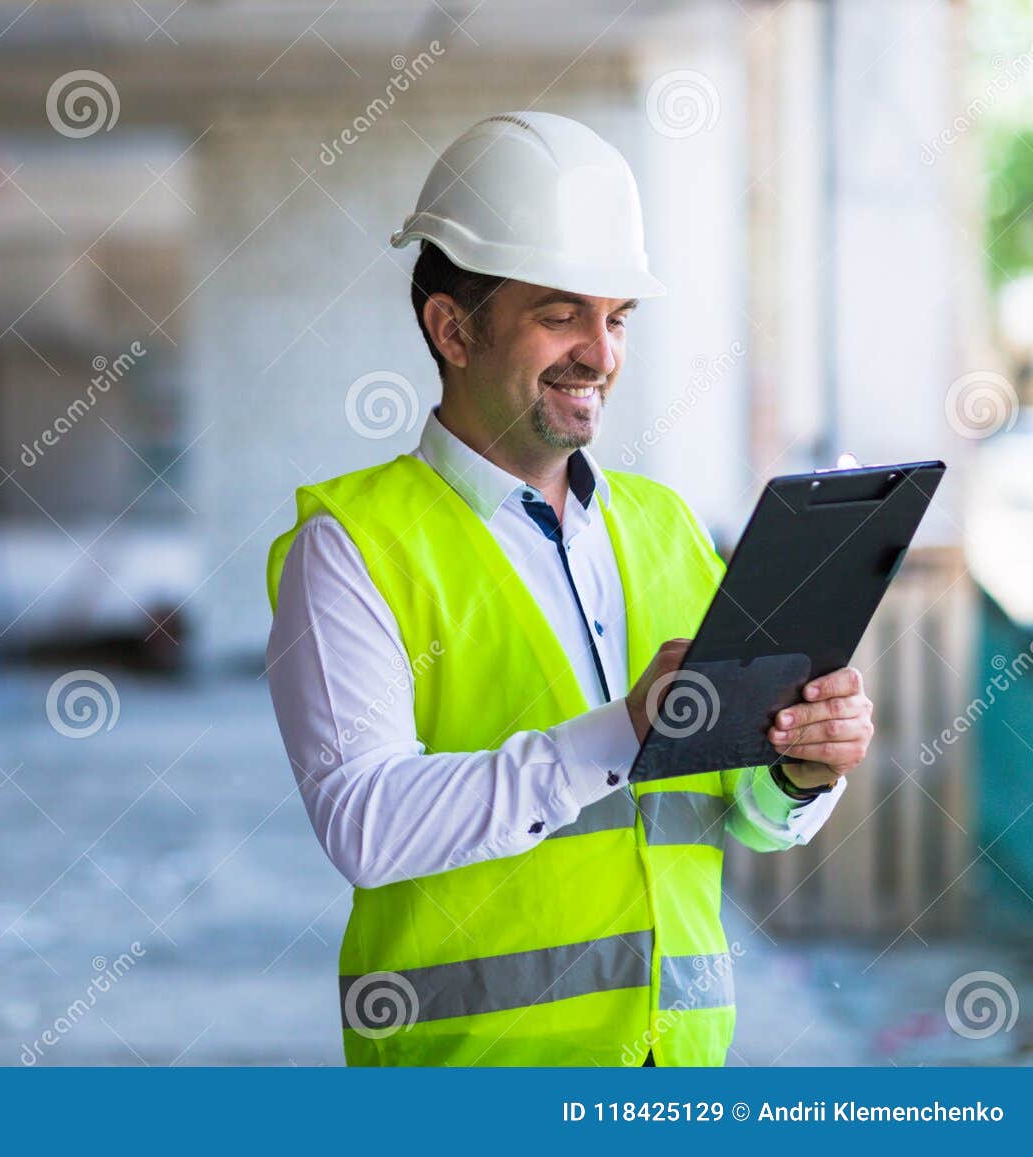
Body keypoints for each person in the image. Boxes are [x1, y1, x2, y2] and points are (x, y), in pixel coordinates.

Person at [263, 112, 873, 1066]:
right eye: (560, 315)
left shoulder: (666, 527)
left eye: (617, 317)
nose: (601, 352)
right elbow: (365, 824)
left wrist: (800, 768)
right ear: (453, 328)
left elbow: (742, 816)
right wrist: (622, 730)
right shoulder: (353, 546)